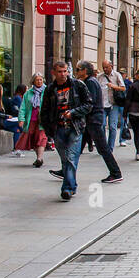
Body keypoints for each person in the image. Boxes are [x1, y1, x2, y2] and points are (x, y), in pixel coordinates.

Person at [40, 60, 95, 201]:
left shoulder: (78, 85)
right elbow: (45, 111)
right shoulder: (50, 89)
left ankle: (67, 188)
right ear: (54, 73)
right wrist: (47, 130)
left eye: (65, 71)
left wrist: (74, 112)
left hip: (75, 127)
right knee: (65, 159)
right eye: (60, 72)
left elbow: (89, 104)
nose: (63, 74)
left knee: (71, 158)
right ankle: (72, 184)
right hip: (58, 128)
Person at [74, 61, 122, 183]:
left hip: (93, 119)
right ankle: (66, 170)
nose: (76, 72)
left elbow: (90, 102)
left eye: (78, 69)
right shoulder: (91, 81)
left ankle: (116, 173)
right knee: (76, 147)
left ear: (85, 71)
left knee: (103, 147)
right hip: (91, 119)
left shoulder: (90, 82)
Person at [15, 73, 47, 167]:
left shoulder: (47, 91)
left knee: (42, 138)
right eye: (37, 80)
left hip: (43, 119)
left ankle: (39, 158)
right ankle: (38, 158)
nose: (39, 81)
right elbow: (23, 107)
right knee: (33, 139)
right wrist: (21, 119)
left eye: (41, 79)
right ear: (33, 81)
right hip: (31, 120)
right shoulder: (28, 93)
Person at [98, 60, 128, 149]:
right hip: (102, 104)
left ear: (111, 66)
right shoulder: (100, 76)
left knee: (112, 127)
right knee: (102, 125)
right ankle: (103, 145)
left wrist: (113, 86)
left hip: (113, 104)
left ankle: (110, 148)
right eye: (103, 67)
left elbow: (123, 88)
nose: (105, 69)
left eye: (106, 67)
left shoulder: (117, 75)